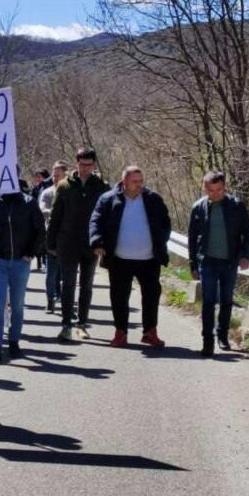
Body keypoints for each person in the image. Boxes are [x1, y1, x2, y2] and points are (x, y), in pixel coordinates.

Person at [89, 166, 172, 348]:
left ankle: (150, 332)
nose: (139, 185)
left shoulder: (153, 199)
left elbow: (165, 223)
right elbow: (96, 221)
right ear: (124, 181)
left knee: (151, 296)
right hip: (120, 258)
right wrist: (97, 242)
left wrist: (160, 241)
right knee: (119, 297)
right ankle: (121, 332)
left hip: (149, 259)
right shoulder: (109, 199)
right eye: (135, 181)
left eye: (141, 181)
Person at [188, 171, 249, 357]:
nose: (215, 193)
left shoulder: (236, 206)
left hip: (229, 261)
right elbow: (192, 238)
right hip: (207, 261)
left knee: (226, 300)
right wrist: (193, 264)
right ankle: (207, 340)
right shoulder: (198, 208)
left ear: (224, 187)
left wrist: (245, 256)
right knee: (208, 301)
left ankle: (222, 335)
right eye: (210, 190)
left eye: (218, 189)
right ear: (205, 188)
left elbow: (248, 233)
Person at [47, 147, 111, 341]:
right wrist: (50, 242)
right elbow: (55, 215)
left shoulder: (102, 186)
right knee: (67, 284)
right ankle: (66, 323)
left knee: (87, 284)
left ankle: (82, 323)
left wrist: (104, 242)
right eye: (82, 165)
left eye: (89, 165)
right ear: (76, 163)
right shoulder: (65, 185)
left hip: (91, 243)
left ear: (94, 165)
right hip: (67, 242)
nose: (85, 169)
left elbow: (107, 217)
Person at [0, 186, 45, 364]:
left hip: (20, 262)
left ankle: (14, 341)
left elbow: (39, 229)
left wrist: (31, 252)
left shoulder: (28, 202)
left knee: (17, 304)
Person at [38, 161, 69, 313]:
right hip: (51, 237)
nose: (54, 178)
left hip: (69, 238)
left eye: (57, 175)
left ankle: (66, 302)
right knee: (51, 272)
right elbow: (41, 209)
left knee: (67, 274)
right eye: (53, 175)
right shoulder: (47, 193)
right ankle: (50, 300)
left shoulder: (71, 192)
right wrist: (56, 213)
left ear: (65, 175)